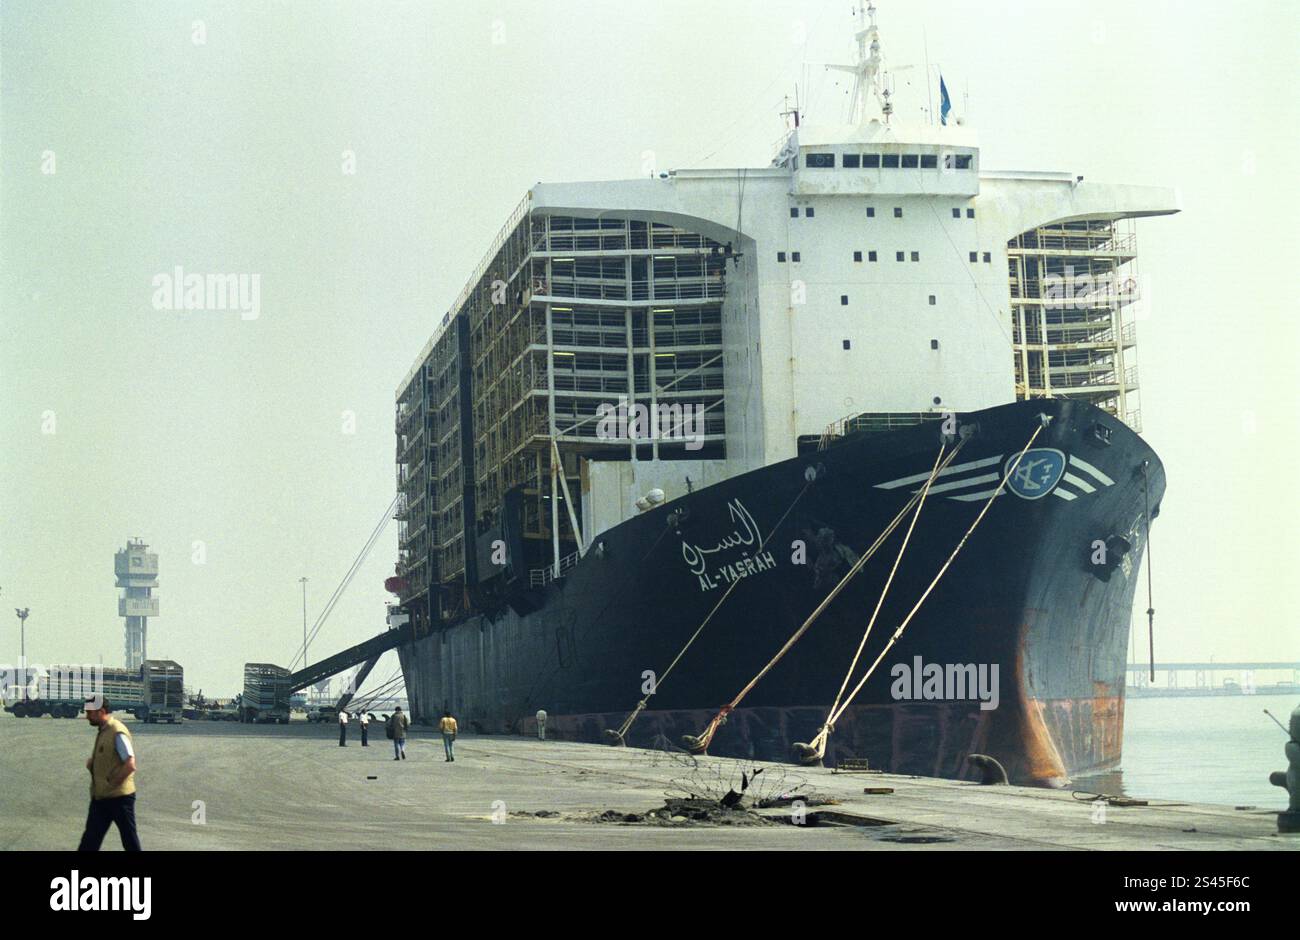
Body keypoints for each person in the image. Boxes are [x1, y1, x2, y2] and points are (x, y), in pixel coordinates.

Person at [78, 697, 142, 851]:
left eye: (90, 713)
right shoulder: (104, 730)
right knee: (90, 841)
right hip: (101, 798)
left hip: (119, 798)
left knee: (130, 841)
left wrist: (112, 784)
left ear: (101, 712)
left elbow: (130, 764)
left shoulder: (117, 731)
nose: (87, 716)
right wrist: (93, 765)